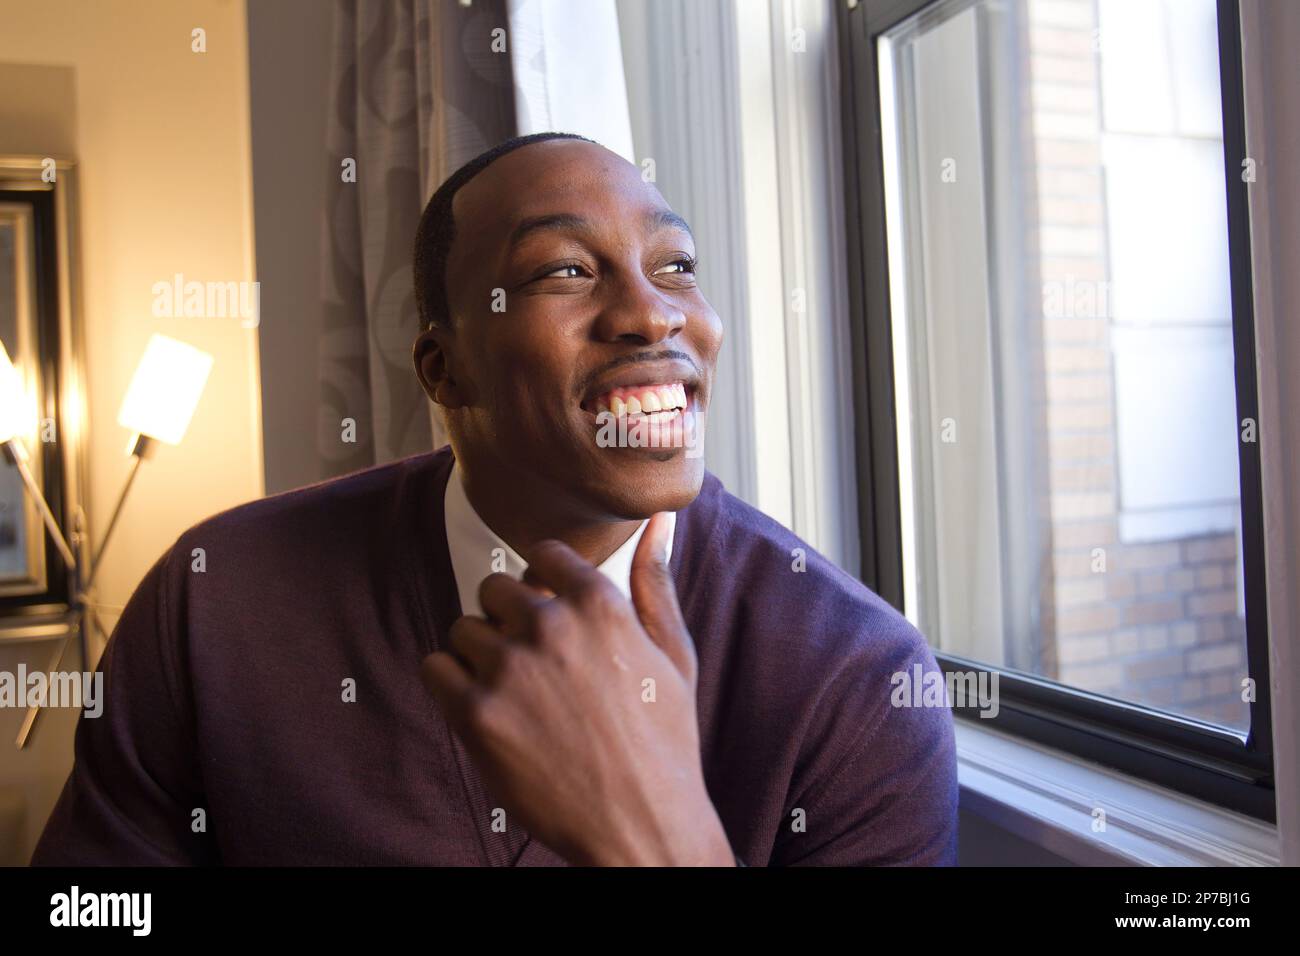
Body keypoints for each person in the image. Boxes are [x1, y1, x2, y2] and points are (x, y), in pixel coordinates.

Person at [32, 132, 957, 866]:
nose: (655, 313)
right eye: (565, 270)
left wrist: (661, 839)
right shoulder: (214, 600)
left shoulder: (859, 680)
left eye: (676, 265)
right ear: (446, 368)